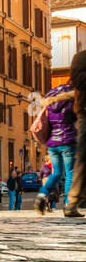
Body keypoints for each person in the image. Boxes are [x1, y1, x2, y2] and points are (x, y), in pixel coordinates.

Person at [34, 81, 77, 215]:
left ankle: (42, 195)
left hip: (52, 144)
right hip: (68, 142)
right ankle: (68, 205)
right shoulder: (71, 102)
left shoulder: (50, 104)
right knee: (70, 173)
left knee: (56, 173)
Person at [61, 49, 86, 217]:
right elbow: (77, 79)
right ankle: (72, 202)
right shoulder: (81, 58)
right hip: (85, 111)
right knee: (83, 157)